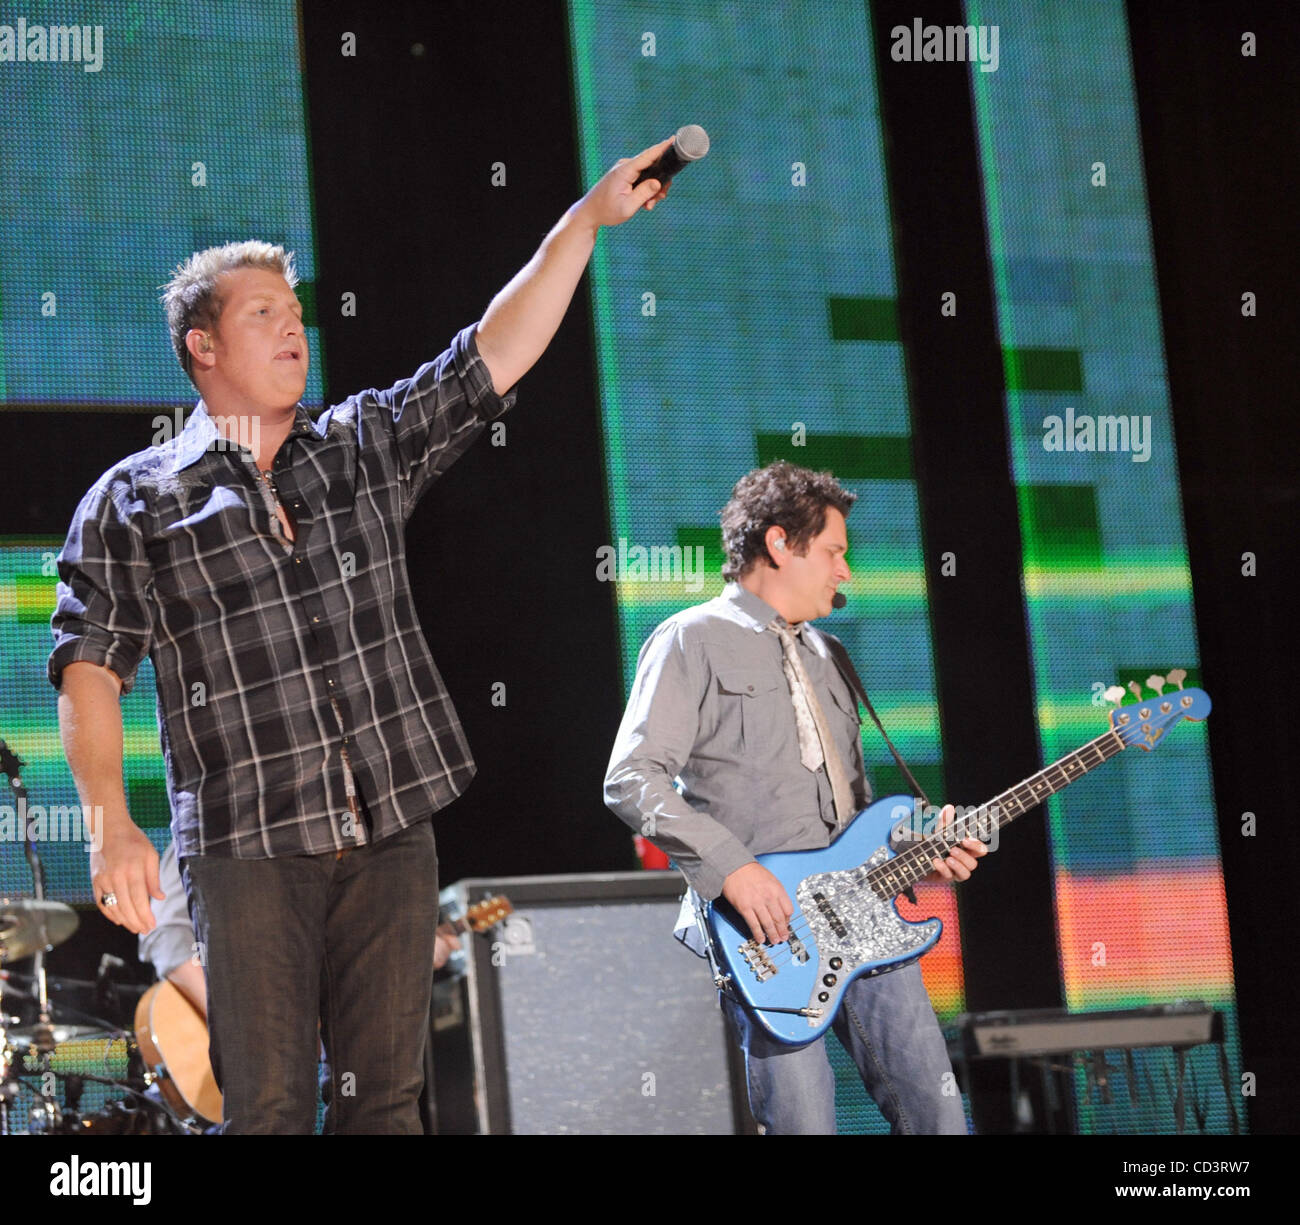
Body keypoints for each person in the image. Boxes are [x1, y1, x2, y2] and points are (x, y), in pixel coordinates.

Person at [52, 136, 673, 1134]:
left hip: (388, 829)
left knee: (386, 1101)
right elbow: (89, 666)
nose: (294, 333)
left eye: (297, 317)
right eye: (264, 316)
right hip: (249, 847)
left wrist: (581, 224)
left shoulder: (358, 446)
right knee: (269, 1108)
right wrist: (110, 824)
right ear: (202, 348)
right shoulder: (137, 500)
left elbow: (490, 353)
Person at [604, 460, 988, 1135]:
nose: (846, 571)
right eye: (835, 551)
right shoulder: (691, 639)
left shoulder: (831, 655)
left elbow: (858, 812)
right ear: (780, 543)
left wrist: (926, 849)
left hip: (870, 921)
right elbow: (632, 776)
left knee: (940, 1120)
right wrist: (733, 866)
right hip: (770, 935)